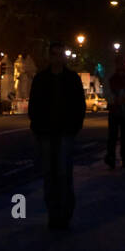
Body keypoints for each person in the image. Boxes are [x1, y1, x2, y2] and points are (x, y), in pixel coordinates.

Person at [28, 42, 86, 229]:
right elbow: (34, 105)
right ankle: (53, 214)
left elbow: (79, 105)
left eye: (60, 54)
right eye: (54, 54)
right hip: (46, 132)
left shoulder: (72, 79)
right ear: (50, 56)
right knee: (49, 175)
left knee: (63, 174)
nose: (57, 58)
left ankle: (65, 213)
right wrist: (37, 127)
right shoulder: (41, 79)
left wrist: (74, 127)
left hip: (65, 132)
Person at [104, 54, 125, 168]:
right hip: (117, 108)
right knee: (115, 136)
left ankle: (123, 157)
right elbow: (107, 93)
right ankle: (116, 157)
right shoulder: (113, 77)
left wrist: (121, 98)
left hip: (121, 108)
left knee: (123, 136)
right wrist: (116, 99)